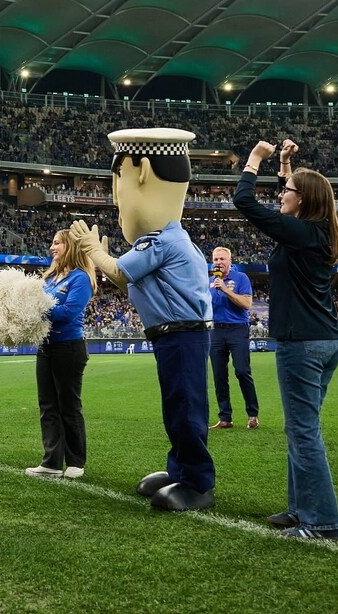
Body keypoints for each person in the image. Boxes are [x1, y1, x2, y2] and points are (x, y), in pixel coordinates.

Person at [70, 128, 215, 512]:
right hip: (175, 335)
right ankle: (180, 469)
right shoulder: (168, 239)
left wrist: (91, 250)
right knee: (177, 407)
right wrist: (100, 254)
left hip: (182, 335)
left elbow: (120, 273)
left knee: (186, 409)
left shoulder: (161, 241)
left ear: (144, 172)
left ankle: (198, 483)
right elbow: (127, 276)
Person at [234, 138, 338, 542]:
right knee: (303, 428)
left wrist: (254, 160)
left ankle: (323, 524)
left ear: (303, 201)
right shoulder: (313, 232)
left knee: (303, 432)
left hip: (303, 343)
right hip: (325, 339)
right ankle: (301, 508)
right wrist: (284, 167)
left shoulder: (301, 233)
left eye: (287, 192)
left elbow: (244, 202)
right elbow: (293, 198)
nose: (282, 195)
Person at [25, 229, 96, 479]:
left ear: (72, 247)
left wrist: (36, 308)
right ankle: (52, 462)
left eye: (58, 243)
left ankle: (76, 461)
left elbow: (67, 313)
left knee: (69, 405)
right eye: (52, 242)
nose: (52, 247)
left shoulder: (81, 278)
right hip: (46, 347)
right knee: (47, 406)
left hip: (69, 348)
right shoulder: (50, 278)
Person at [207, 246, 261, 430]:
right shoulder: (209, 282)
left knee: (242, 371)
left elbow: (246, 304)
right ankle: (225, 418)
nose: (219, 262)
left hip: (237, 329)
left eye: (222, 259)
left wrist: (225, 289)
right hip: (215, 332)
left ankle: (252, 415)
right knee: (219, 375)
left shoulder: (240, 278)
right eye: (215, 260)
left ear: (230, 261)